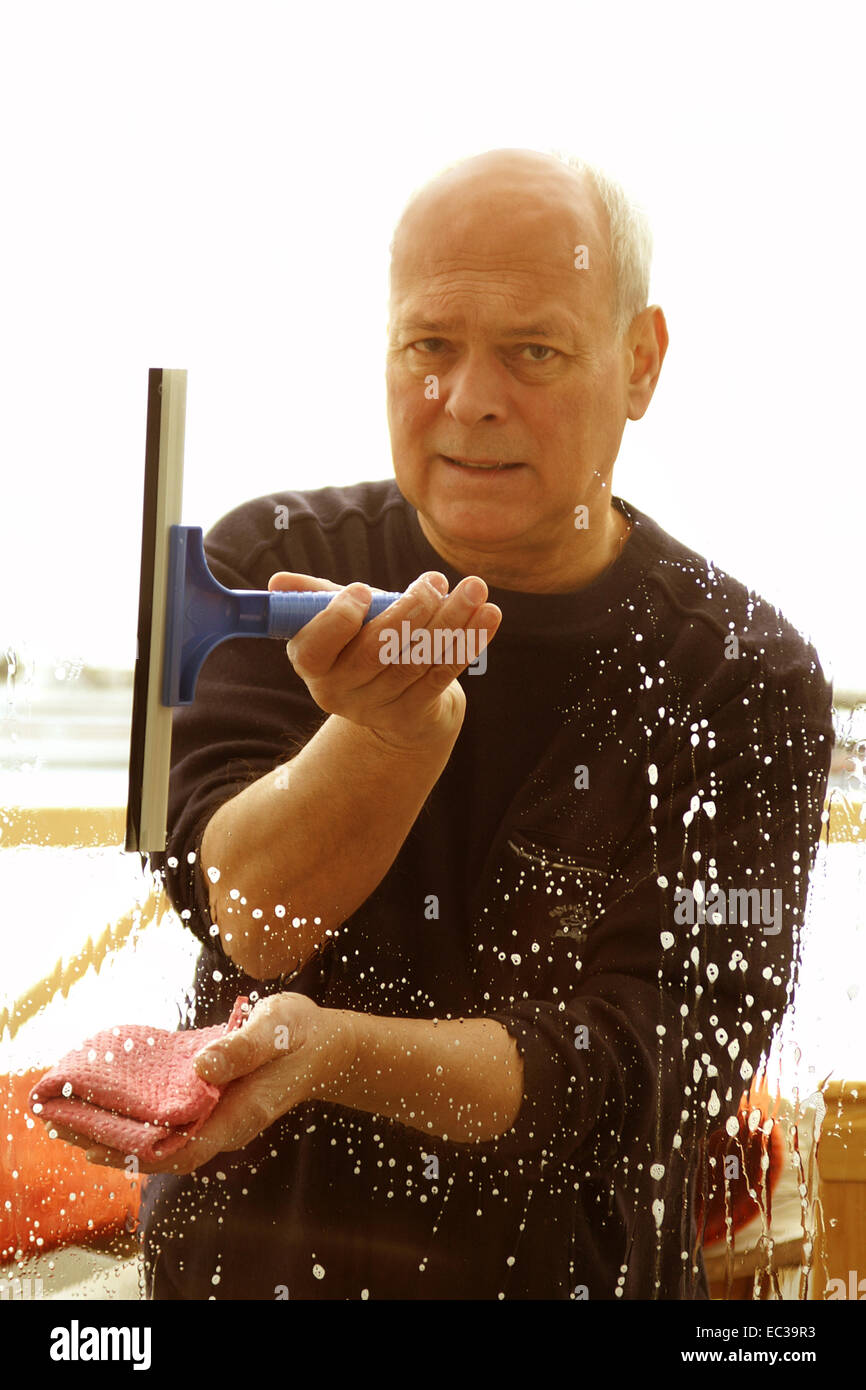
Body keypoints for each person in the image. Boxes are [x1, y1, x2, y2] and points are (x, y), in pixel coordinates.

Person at [64, 148, 834, 1299]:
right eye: (429, 346)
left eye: (532, 350)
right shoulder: (268, 565)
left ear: (638, 360)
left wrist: (334, 1055)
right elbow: (248, 915)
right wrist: (385, 742)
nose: (468, 398)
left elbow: (660, 1070)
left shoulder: (736, 670)